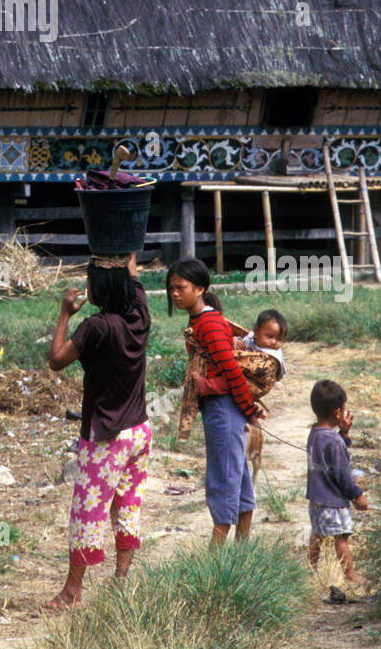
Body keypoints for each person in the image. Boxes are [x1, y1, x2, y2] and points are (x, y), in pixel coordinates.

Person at [42, 252, 152, 611]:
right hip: (138, 429)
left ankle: (73, 591)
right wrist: (123, 250)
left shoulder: (97, 326)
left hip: (105, 437)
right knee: (128, 505)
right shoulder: (139, 312)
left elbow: (56, 359)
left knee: (88, 512)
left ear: (97, 288)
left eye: (90, 281)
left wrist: (64, 313)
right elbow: (132, 274)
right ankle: (121, 582)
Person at [168, 257, 265, 545]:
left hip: (223, 408)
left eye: (180, 288)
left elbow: (231, 370)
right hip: (227, 406)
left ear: (199, 289)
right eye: (171, 288)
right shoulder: (204, 318)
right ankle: (242, 554)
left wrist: (248, 409)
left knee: (222, 482)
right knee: (238, 478)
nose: (174, 294)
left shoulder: (208, 323)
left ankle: (216, 563)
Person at [306, 379, 369, 587]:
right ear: (337, 412)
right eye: (342, 409)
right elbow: (342, 474)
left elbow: (329, 459)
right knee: (341, 537)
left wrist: (344, 434)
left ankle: (310, 569)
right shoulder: (333, 441)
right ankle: (349, 574)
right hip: (333, 501)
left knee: (318, 534)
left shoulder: (314, 433)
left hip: (316, 497)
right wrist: (357, 495)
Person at [193, 308, 288, 398]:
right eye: (269, 336)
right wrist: (236, 342)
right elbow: (241, 341)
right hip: (246, 374)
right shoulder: (251, 338)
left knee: (232, 382)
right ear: (256, 332)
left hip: (257, 385)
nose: (274, 342)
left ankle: (205, 386)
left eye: (279, 339)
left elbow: (274, 371)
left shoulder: (273, 355)